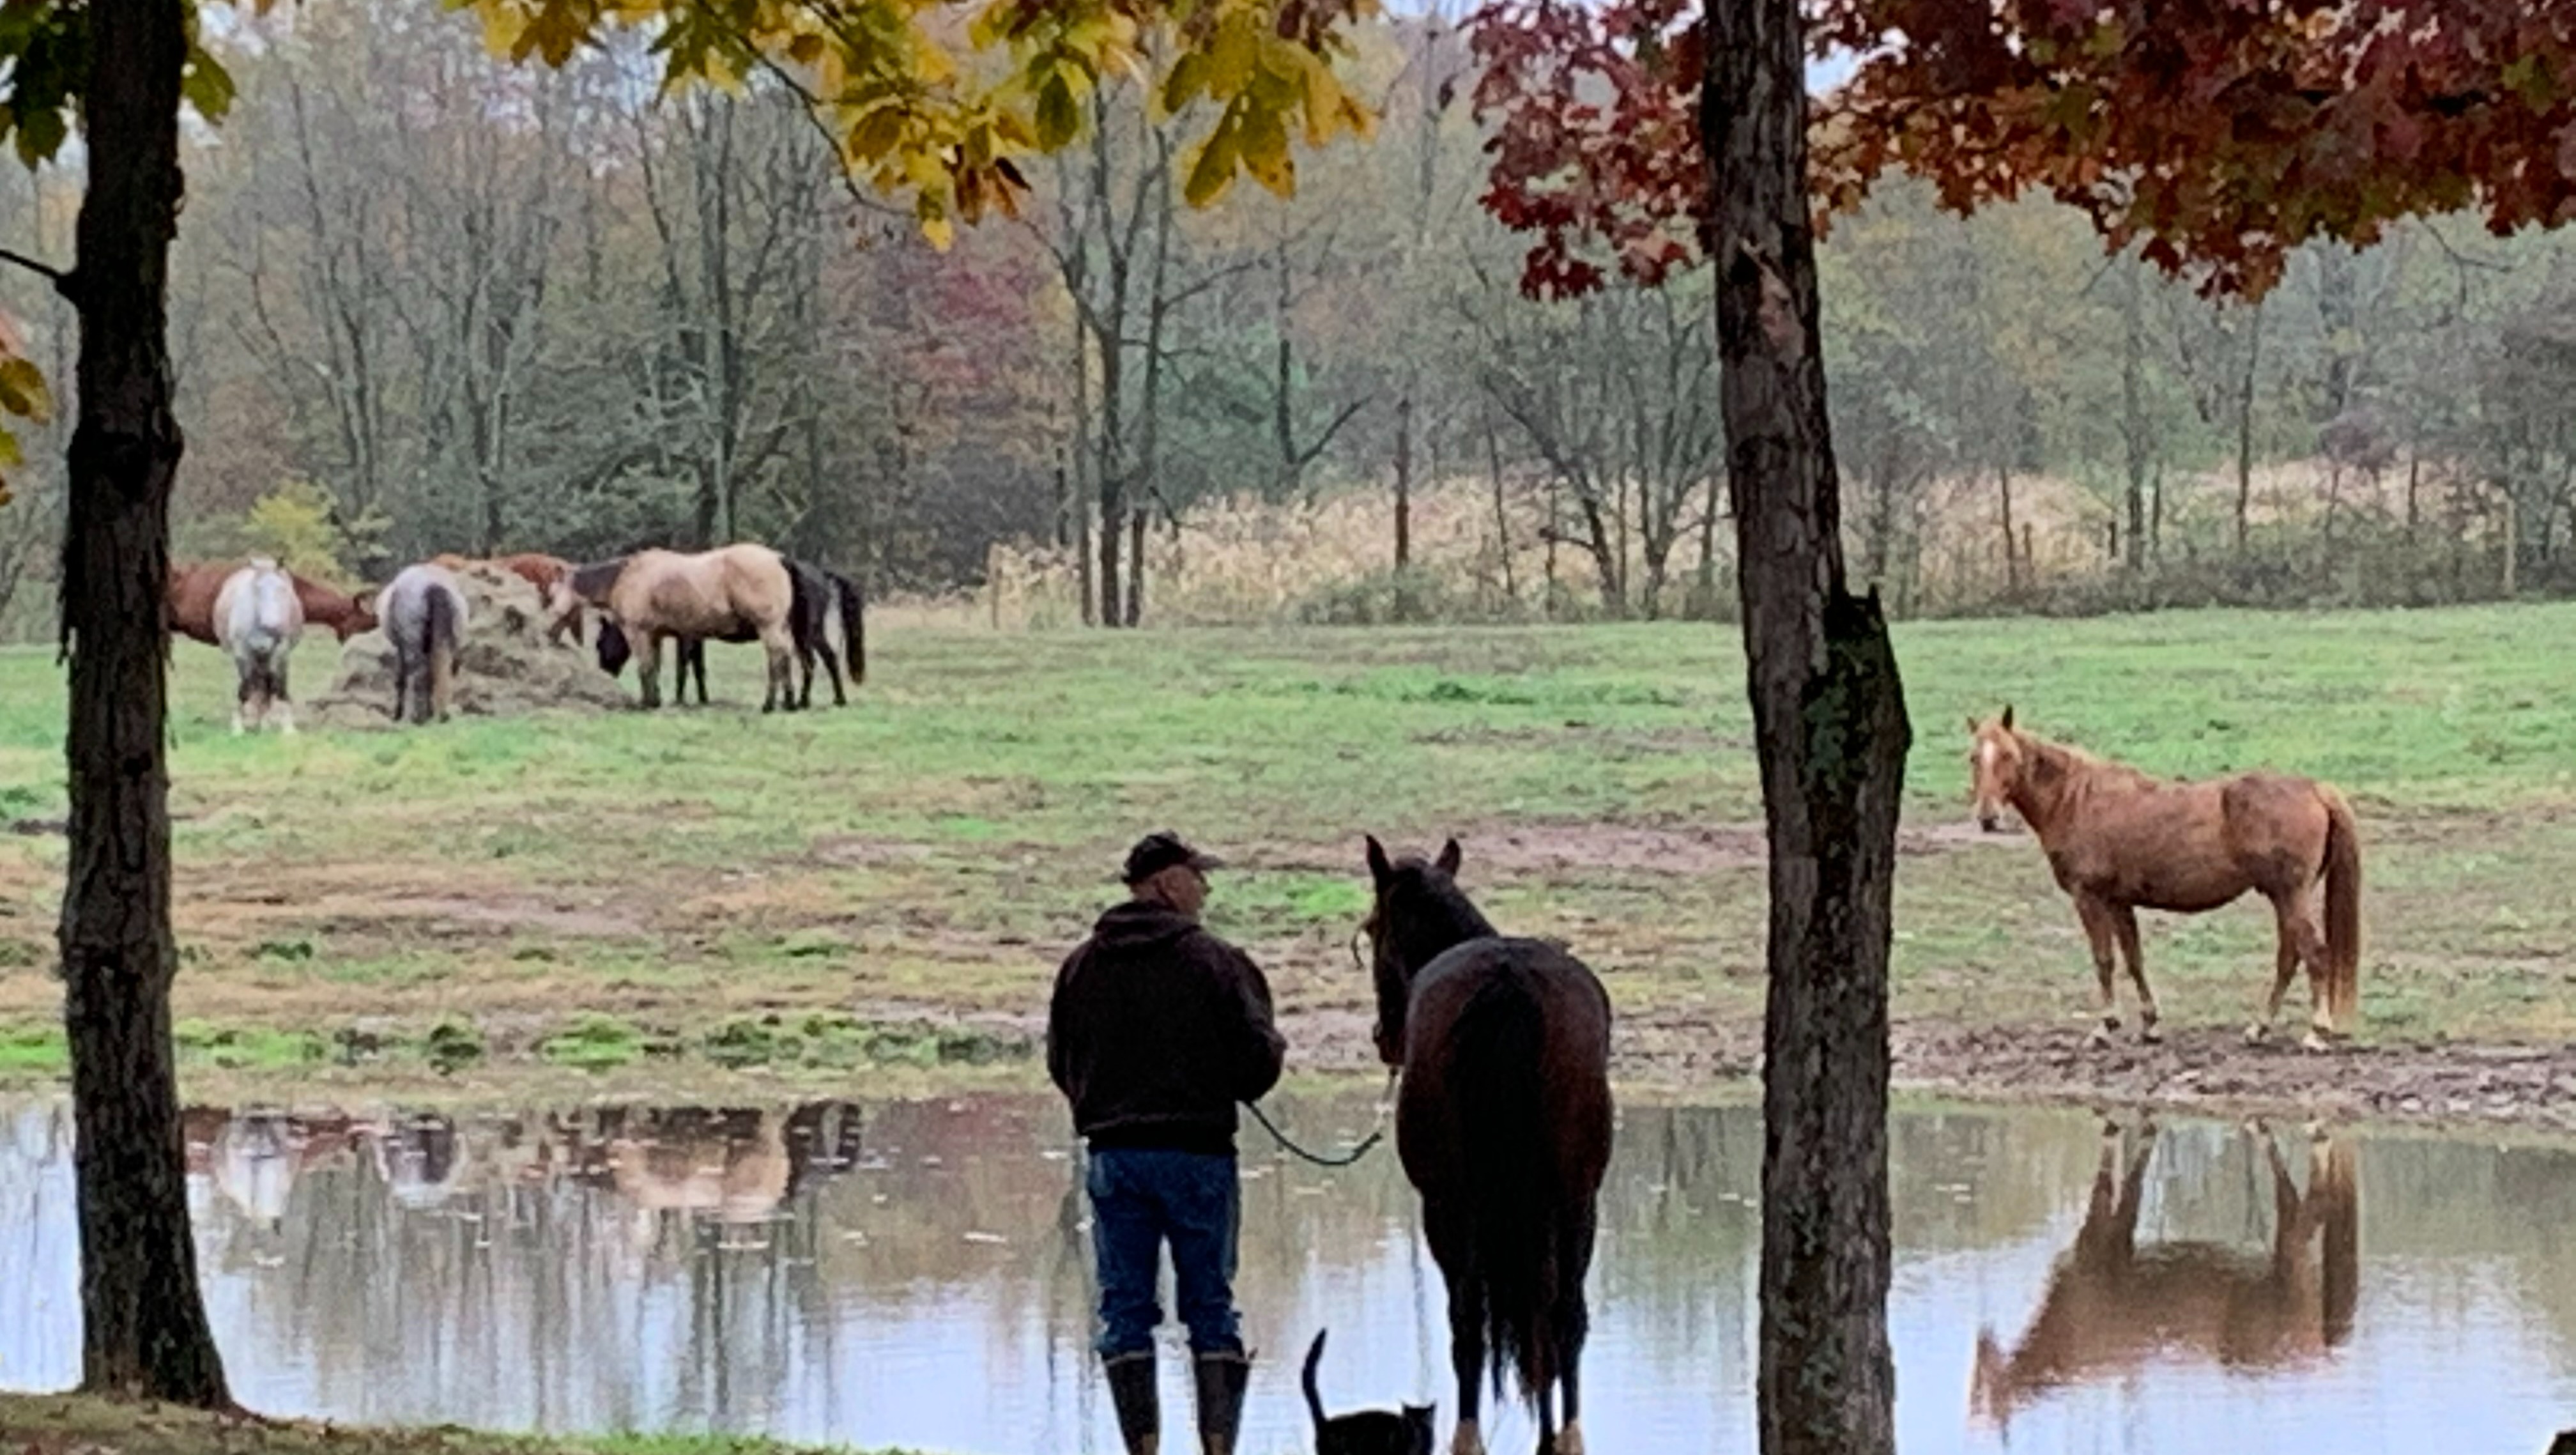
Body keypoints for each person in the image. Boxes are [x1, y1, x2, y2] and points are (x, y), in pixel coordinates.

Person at [1048, 832, 1286, 1455]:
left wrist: (1103, 1108)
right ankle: (1217, 1447)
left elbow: (1060, 1060)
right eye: (1197, 877)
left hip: (1114, 1157)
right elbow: (1257, 1065)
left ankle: (1143, 1449)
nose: (1205, 890)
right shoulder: (1216, 961)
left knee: (1124, 1307)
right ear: (1166, 884)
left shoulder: (1080, 966)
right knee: (1210, 1303)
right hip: (1198, 1156)